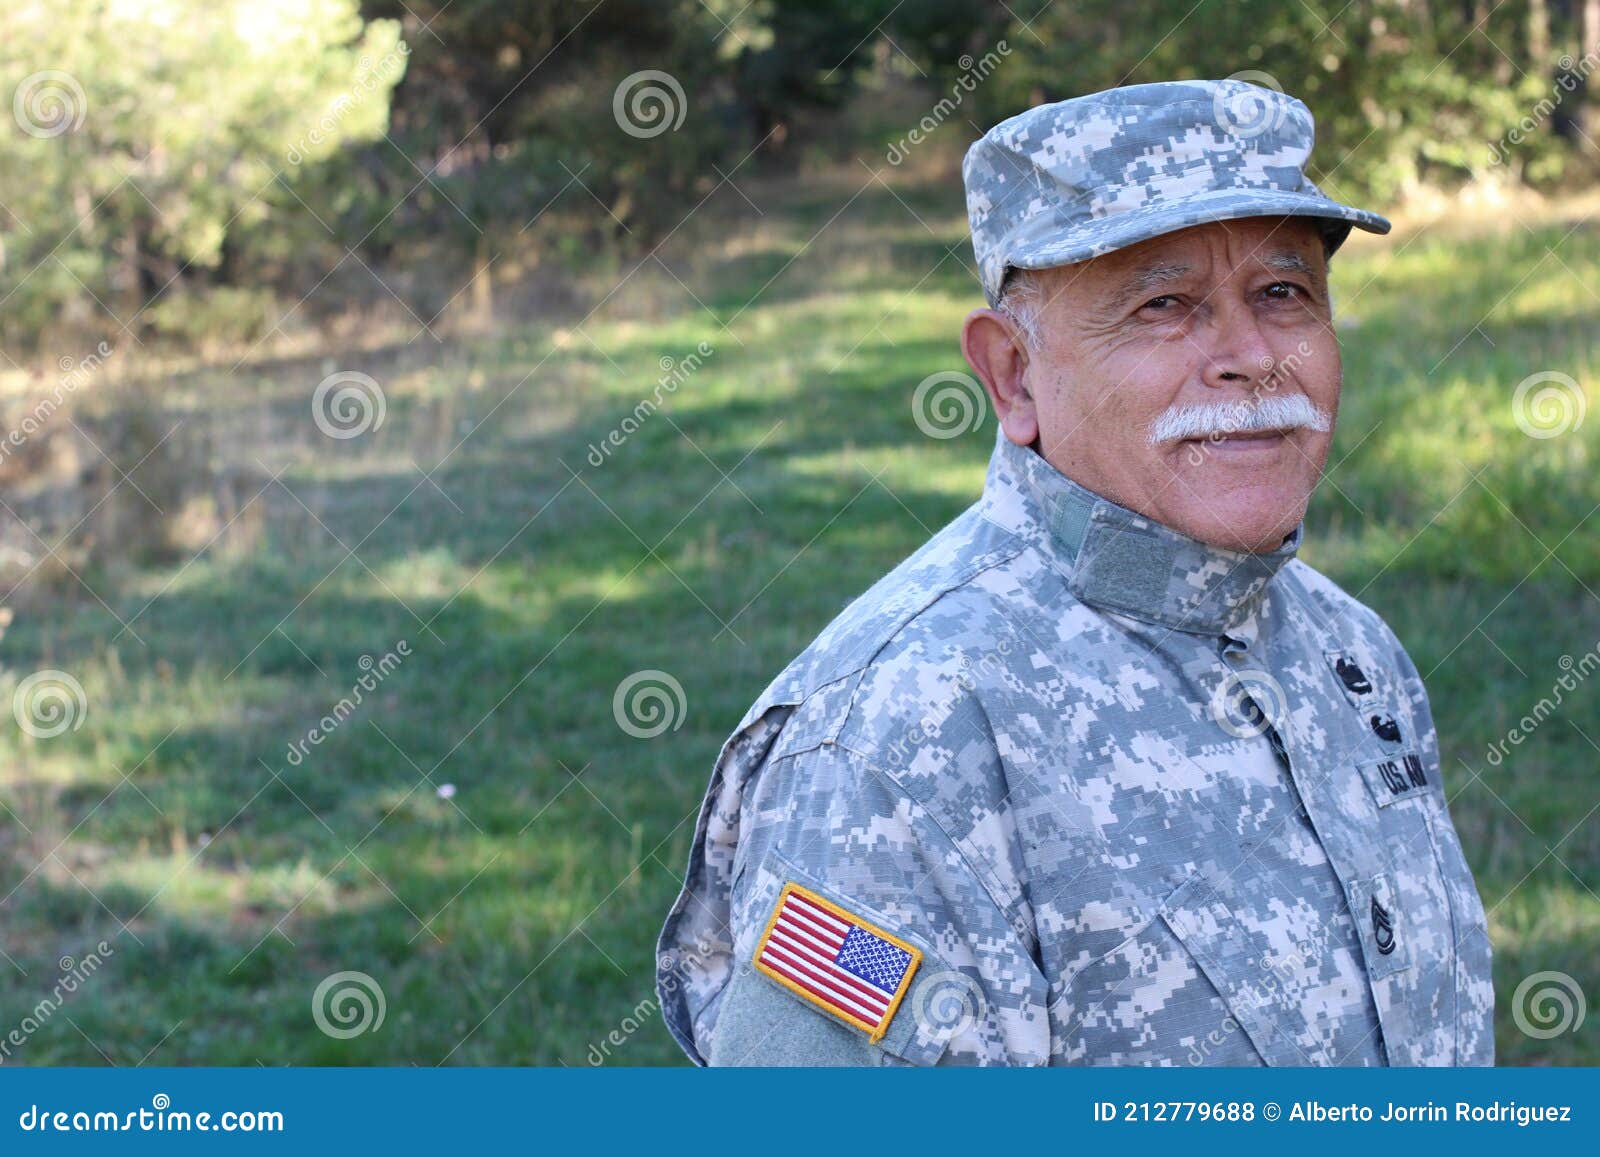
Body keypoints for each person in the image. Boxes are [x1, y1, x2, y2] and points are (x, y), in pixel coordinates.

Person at [656, 78, 1494, 1066]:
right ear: (1013, 375)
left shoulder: (1351, 651)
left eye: (1283, 293)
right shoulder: (897, 735)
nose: (1248, 355)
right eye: (1163, 305)